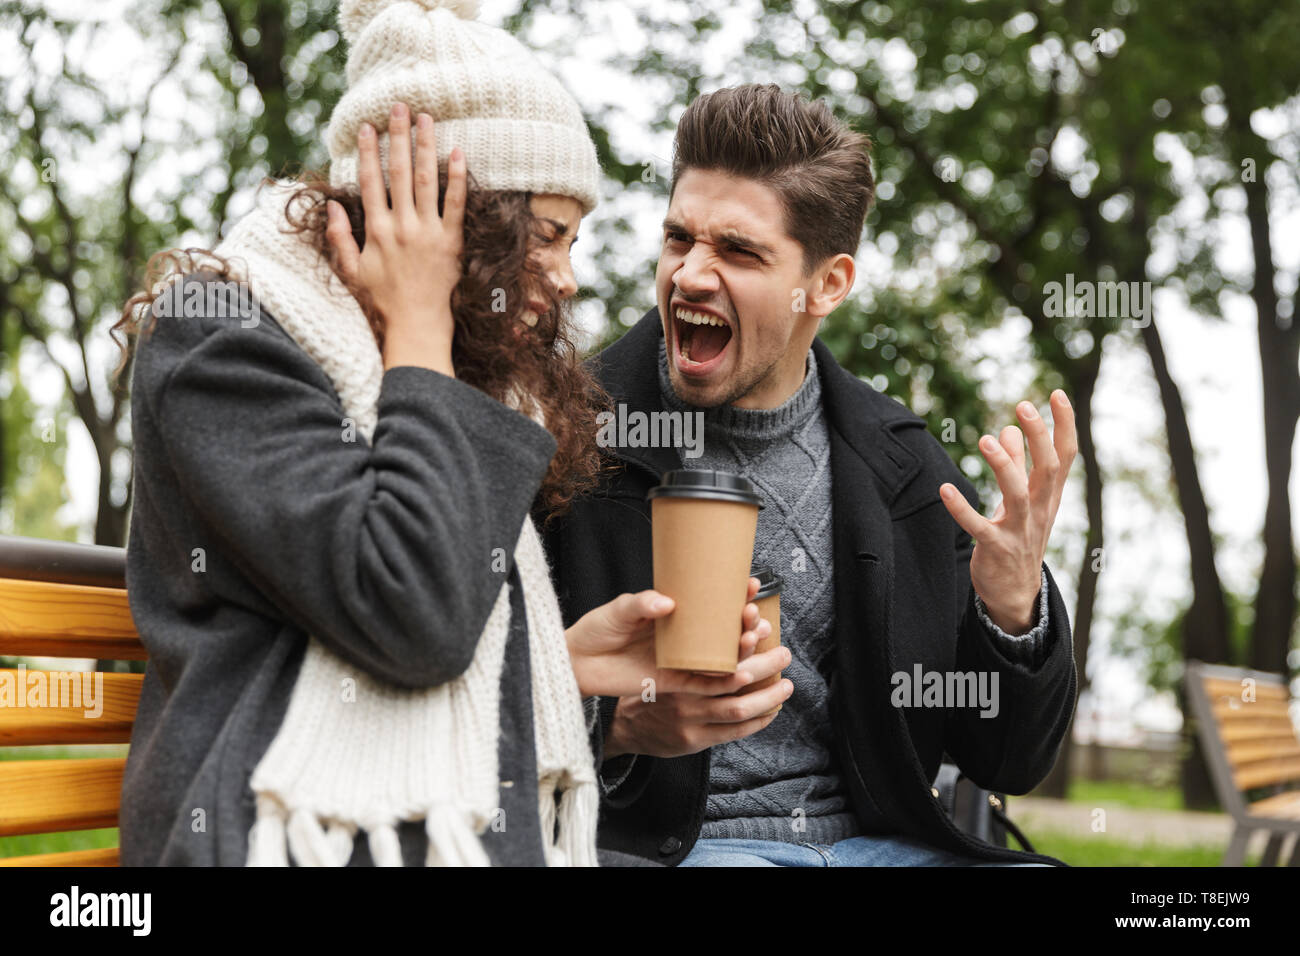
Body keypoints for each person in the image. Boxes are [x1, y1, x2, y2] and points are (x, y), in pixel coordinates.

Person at [113, 1, 779, 867]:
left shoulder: (448, 380)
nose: (570, 279)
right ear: (442, 216)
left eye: (576, 242)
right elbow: (413, 615)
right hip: (275, 827)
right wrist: (419, 326)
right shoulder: (223, 339)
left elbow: (408, 637)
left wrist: (568, 668)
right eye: (546, 237)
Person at [540, 83, 1079, 867]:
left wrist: (1012, 607)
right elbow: (471, 713)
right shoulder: (563, 431)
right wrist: (612, 724)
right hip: (675, 853)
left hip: (880, 849)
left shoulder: (903, 465)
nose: (690, 275)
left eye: (738, 250)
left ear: (826, 285)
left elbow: (1007, 762)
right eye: (679, 239)